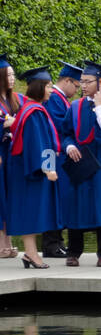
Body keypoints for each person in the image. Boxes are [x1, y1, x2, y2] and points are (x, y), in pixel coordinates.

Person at [57, 61, 101, 267]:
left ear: (100, 82)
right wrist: (68, 147)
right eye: (82, 82)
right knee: (77, 206)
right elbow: (65, 133)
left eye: (88, 82)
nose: (83, 86)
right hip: (79, 162)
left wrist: (99, 108)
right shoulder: (75, 107)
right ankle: (74, 252)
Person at [4, 67, 62, 269]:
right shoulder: (34, 112)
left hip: (24, 168)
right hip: (30, 171)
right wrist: (48, 168)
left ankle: (30, 254)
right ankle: (30, 254)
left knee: (31, 210)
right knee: (31, 211)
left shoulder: (28, 108)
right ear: (39, 87)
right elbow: (39, 144)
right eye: (48, 86)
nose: (52, 90)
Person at [40, 61, 81, 259]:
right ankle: (51, 244)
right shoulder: (55, 99)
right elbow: (59, 126)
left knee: (60, 199)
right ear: (67, 80)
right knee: (53, 198)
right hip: (52, 155)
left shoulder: (61, 99)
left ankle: (58, 242)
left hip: (58, 156)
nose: (77, 89)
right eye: (76, 85)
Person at [0, 58, 27, 259]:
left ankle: (8, 241)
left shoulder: (15, 99)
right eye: (8, 75)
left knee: (8, 197)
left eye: (12, 74)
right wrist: (6, 124)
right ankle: (2, 243)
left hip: (12, 154)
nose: (12, 78)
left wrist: (12, 123)